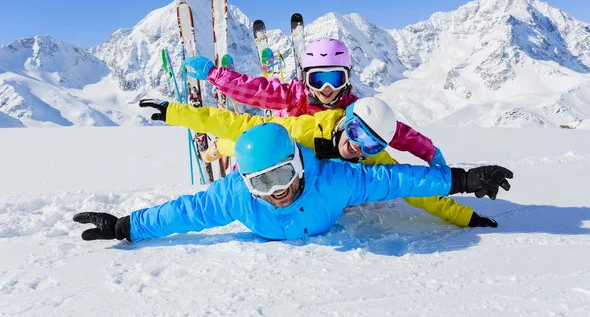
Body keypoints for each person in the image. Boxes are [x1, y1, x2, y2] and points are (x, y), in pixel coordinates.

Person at [74, 123, 513, 243]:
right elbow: (185, 212)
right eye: (261, 184)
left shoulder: (335, 180)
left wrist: (461, 178)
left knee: (375, 193)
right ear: (244, 181)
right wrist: (127, 226)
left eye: (282, 176)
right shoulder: (236, 197)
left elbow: (394, 179)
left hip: (336, 208)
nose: (276, 191)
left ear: (298, 166)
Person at [140, 97, 498, 228]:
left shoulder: (355, 170)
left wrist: (463, 205)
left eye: (371, 144)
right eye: (356, 132)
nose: (358, 147)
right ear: (344, 121)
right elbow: (236, 123)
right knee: (241, 140)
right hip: (264, 151)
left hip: (310, 182)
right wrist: (177, 113)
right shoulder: (303, 131)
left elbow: (408, 183)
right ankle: (221, 149)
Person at [184, 38, 446, 167]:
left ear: (346, 78)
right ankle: (219, 146)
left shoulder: (353, 108)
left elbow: (395, 131)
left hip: (319, 165)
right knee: (250, 141)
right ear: (306, 79)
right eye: (318, 79)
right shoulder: (292, 95)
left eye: (334, 78)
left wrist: (429, 151)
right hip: (287, 151)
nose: (327, 89)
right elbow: (254, 90)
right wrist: (213, 74)